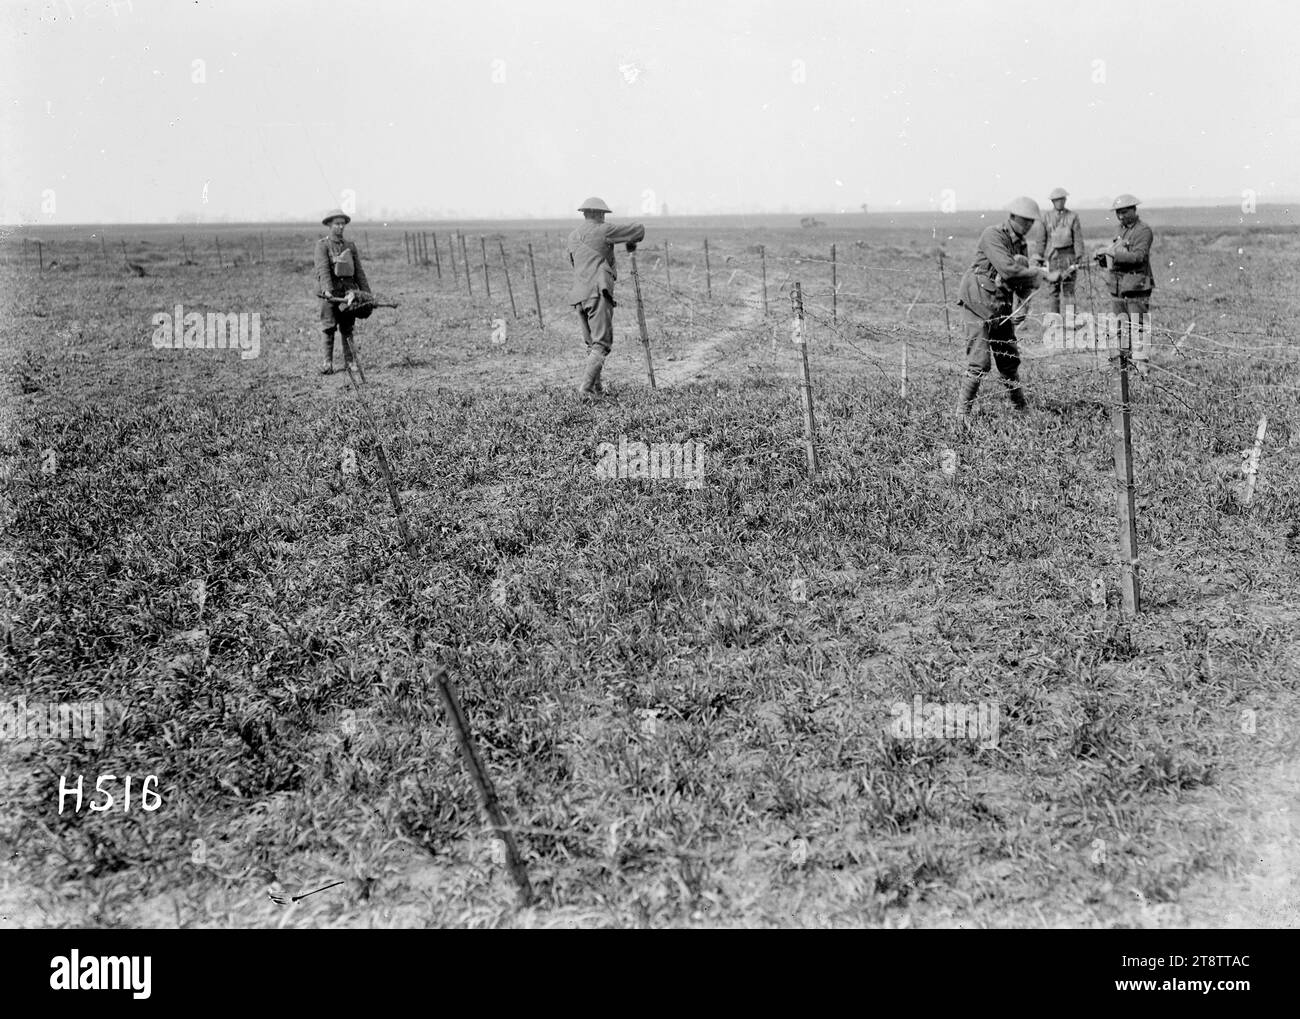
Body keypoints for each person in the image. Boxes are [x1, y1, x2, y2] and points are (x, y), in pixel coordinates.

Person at [954, 197, 1060, 417]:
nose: (1028, 226)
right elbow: (1008, 270)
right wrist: (1043, 274)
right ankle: (961, 414)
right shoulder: (993, 235)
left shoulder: (1020, 243)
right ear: (1012, 217)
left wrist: (1023, 306)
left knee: (1009, 361)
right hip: (977, 303)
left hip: (1000, 306)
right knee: (979, 363)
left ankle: (1021, 409)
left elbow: (1021, 282)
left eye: (1032, 222)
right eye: (1025, 221)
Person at [565, 197, 645, 400]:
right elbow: (638, 230)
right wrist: (630, 240)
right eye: (602, 215)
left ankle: (597, 390)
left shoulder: (572, 236)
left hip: (579, 295)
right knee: (601, 345)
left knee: (593, 345)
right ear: (600, 214)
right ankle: (585, 390)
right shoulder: (604, 230)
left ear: (584, 213)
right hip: (597, 292)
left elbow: (574, 263)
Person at [314, 209, 371, 375]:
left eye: (342, 224)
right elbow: (323, 269)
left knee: (347, 328)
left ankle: (351, 361)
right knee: (329, 327)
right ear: (329, 225)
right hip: (329, 295)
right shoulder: (322, 246)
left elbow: (359, 272)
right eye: (336, 224)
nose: (340, 227)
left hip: (348, 294)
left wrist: (366, 294)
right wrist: (327, 291)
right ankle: (327, 363)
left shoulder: (350, 246)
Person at [1096, 194, 1154, 349]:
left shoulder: (1143, 230)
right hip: (1118, 286)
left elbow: (1139, 257)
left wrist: (1114, 255)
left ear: (1134, 210)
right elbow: (1117, 254)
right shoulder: (1120, 230)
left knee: (1138, 327)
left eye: (1124, 212)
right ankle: (1124, 367)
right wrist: (1103, 258)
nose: (1121, 216)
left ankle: (1141, 366)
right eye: (1118, 213)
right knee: (1121, 327)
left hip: (1136, 286)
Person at [1030, 187, 1084, 314]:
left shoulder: (1073, 216)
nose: (1059, 202)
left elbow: (1078, 238)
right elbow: (1041, 241)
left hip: (1069, 258)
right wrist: (1038, 257)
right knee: (1053, 291)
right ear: (1052, 202)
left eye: (1061, 199)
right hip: (1052, 258)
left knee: (1069, 291)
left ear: (1065, 200)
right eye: (1056, 200)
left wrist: (1080, 256)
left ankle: (1071, 322)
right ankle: (1055, 322)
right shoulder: (1046, 217)